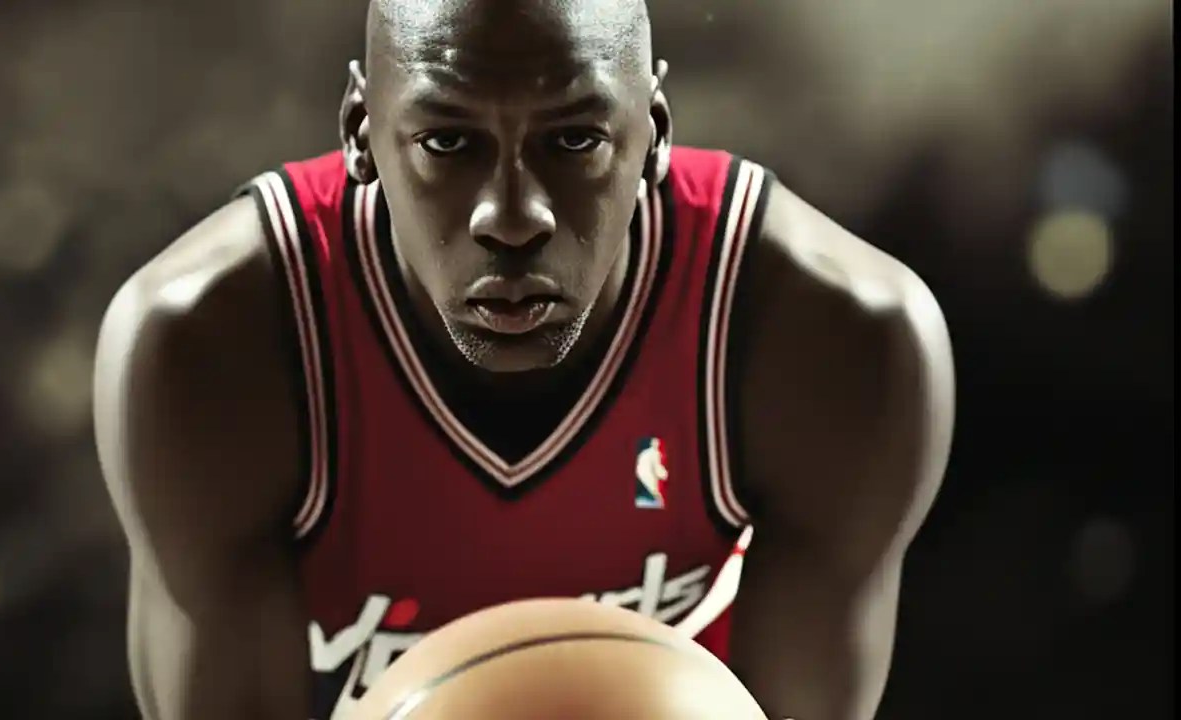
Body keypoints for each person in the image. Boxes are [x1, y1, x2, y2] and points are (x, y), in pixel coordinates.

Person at [93, 0, 955, 718]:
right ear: (361, 133)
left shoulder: (827, 336)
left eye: (574, 140)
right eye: (447, 143)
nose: (511, 216)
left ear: (652, 133)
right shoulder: (215, 349)